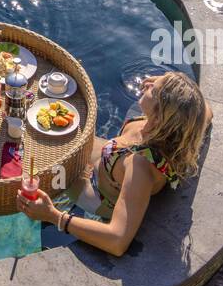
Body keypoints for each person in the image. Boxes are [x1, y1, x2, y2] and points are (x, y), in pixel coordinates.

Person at [16, 73, 212, 256]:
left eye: (154, 89)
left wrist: (54, 216)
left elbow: (117, 240)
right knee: (60, 136)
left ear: (161, 115)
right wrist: (162, 82)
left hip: (101, 197)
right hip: (109, 162)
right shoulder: (170, 127)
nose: (147, 83)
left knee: (40, 172)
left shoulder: (140, 168)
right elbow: (204, 110)